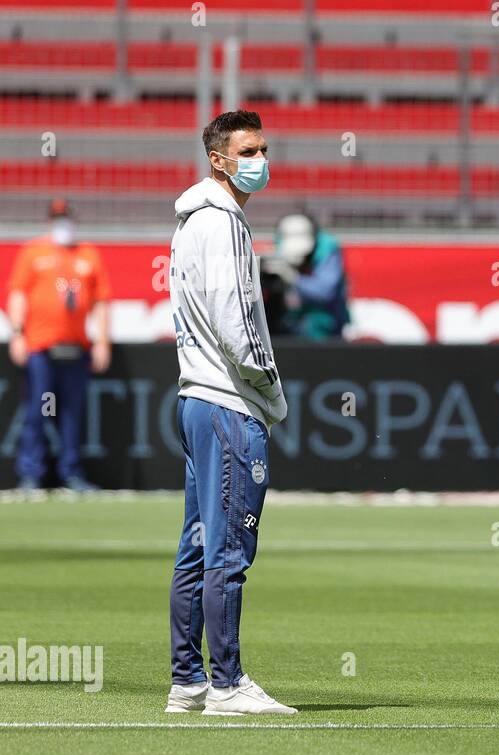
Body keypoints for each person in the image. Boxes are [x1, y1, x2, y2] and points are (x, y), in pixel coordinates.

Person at [165, 109, 295, 716]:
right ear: (218, 158)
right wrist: (267, 386)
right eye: (249, 149)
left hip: (197, 395)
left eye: (264, 148)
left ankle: (189, 679)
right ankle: (227, 683)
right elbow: (236, 317)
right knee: (227, 549)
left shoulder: (193, 222)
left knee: (197, 543)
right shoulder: (222, 224)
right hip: (226, 400)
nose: (260, 160)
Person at [6, 199, 112, 491]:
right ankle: (31, 472)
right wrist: (17, 333)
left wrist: (102, 341)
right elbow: (17, 295)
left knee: (72, 412)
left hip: (76, 347)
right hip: (40, 346)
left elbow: (102, 301)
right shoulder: (34, 252)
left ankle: (71, 472)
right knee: (37, 411)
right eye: (57, 218)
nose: (62, 223)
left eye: (65, 218)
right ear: (49, 221)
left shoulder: (88, 254)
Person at [263, 213, 349, 338]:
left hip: (326, 327)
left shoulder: (327, 249)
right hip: (288, 326)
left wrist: (293, 278)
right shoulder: (279, 242)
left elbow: (325, 292)